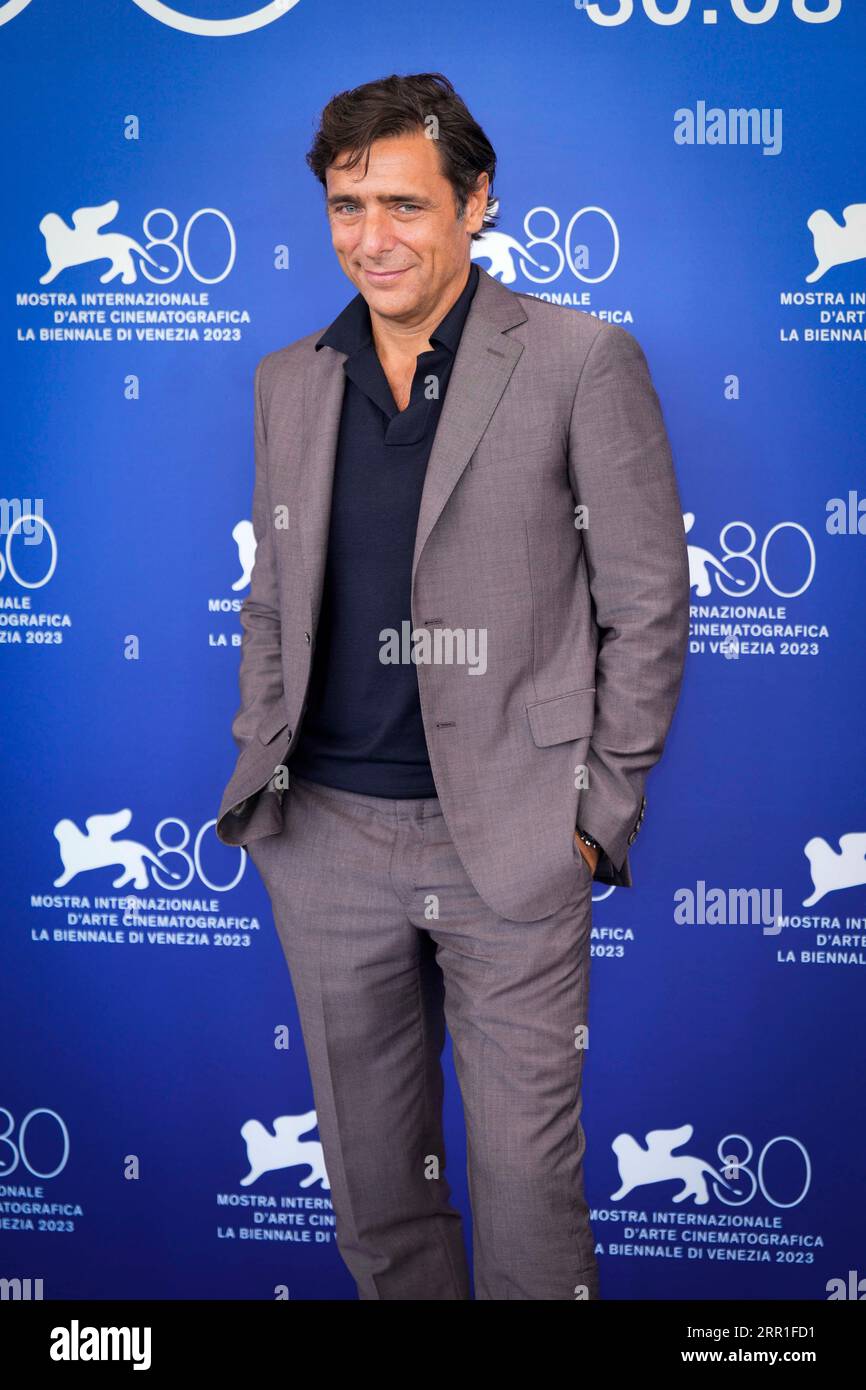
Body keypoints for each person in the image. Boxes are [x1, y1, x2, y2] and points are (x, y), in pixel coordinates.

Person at [216, 72, 690, 1300]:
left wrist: (593, 821)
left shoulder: (581, 359)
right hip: (324, 837)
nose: (369, 238)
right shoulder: (288, 380)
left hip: (516, 845)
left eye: (403, 205)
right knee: (376, 1197)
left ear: (476, 202)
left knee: (530, 1196)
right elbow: (272, 597)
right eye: (344, 206)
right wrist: (263, 769)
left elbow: (644, 604)